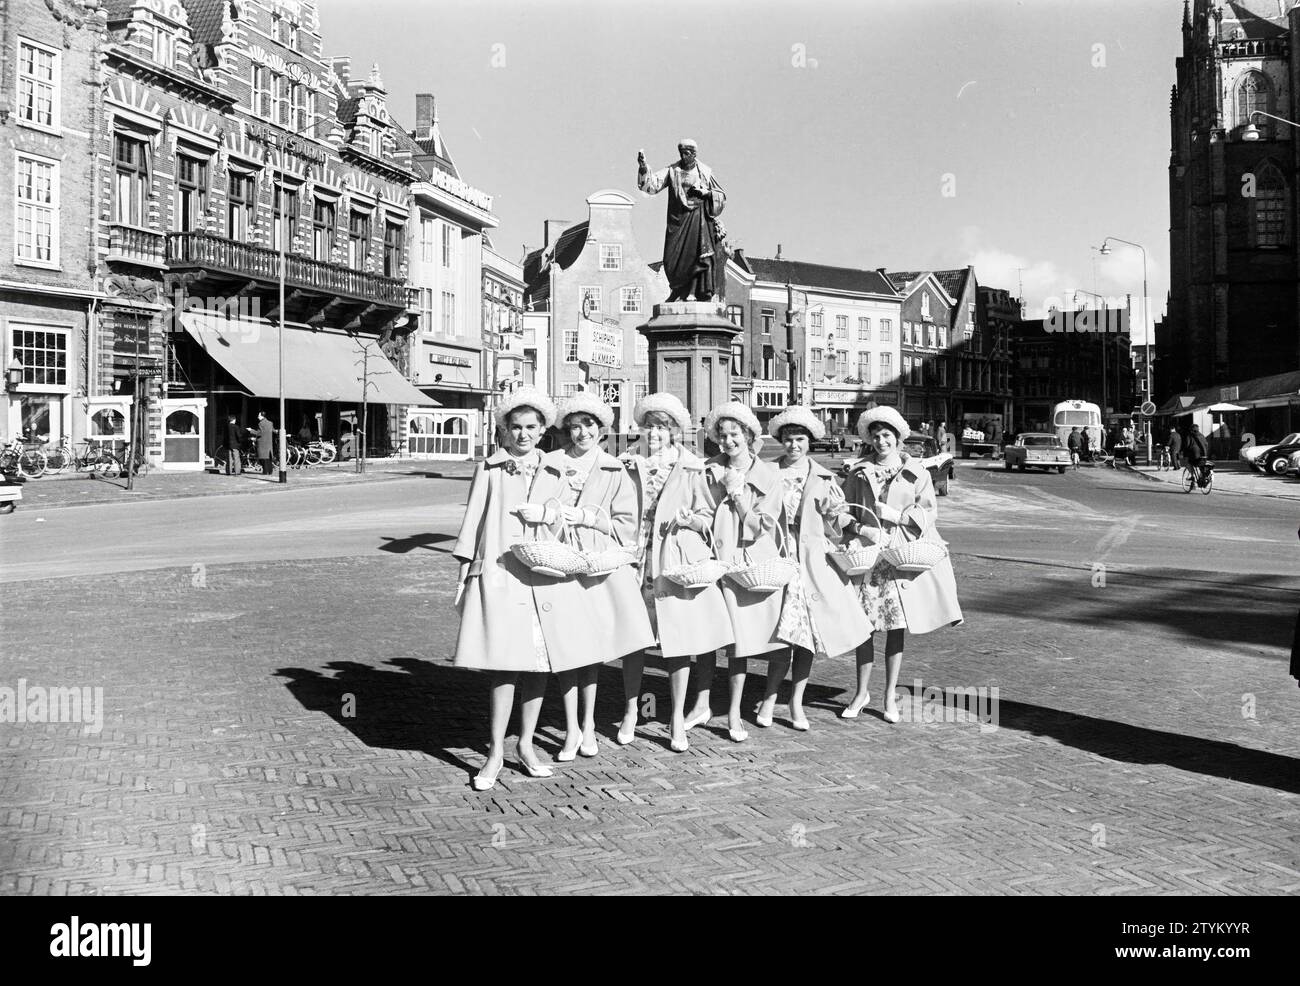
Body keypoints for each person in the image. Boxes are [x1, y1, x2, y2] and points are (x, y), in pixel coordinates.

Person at [520, 393, 655, 763]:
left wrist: (591, 519)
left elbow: (627, 527)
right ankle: (572, 728)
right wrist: (553, 513)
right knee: (568, 647)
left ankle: (593, 723)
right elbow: (535, 508)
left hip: (599, 567)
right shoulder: (550, 463)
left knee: (602, 645)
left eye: (589, 426)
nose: (582, 433)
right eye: (576, 425)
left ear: (601, 429)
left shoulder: (615, 468)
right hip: (560, 564)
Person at [452, 386, 559, 791]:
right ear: (504, 429)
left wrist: (549, 514)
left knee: (539, 666)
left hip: (544, 581)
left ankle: (526, 745)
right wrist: (464, 577)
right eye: (515, 427)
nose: (523, 434)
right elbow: (471, 524)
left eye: (531, 427)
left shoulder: (554, 469)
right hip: (500, 579)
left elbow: (565, 524)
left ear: (543, 429)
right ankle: (495, 751)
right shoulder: (490, 468)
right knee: (503, 666)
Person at [618, 393, 733, 753]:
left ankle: (678, 719)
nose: (654, 434)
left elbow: (707, 517)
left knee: (677, 642)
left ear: (674, 432)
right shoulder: (625, 463)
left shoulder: (691, 466)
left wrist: (690, 521)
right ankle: (631, 711)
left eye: (662, 428)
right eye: (649, 426)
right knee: (634, 639)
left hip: (672, 561)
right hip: (635, 559)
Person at [842, 407, 963, 722]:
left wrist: (897, 517)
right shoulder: (858, 471)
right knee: (864, 629)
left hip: (900, 559)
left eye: (887, 436)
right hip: (868, 558)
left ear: (898, 438)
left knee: (895, 629)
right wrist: (860, 529)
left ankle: (889, 696)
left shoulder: (917, 473)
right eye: (876, 436)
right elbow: (842, 511)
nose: (881, 441)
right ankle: (860, 692)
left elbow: (928, 514)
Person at [758, 406, 872, 731]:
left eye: (800, 440)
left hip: (810, 562)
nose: (794, 445)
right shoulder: (767, 472)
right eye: (789, 439)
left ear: (809, 442)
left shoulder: (822, 476)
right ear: (781, 440)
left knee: (805, 637)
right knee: (780, 634)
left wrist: (856, 526)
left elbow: (837, 517)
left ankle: (795, 703)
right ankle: (768, 699)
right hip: (776, 557)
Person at [687, 401, 786, 743]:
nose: (728, 441)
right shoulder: (707, 469)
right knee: (708, 635)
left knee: (739, 643)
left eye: (735, 434)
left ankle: (733, 712)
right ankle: (701, 705)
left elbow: (763, 527)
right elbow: (701, 512)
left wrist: (737, 493)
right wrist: (692, 521)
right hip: (714, 559)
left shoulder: (769, 475)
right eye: (723, 435)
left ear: (748, 435)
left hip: (749, 564)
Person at [636, 139, 727, 302]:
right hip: (677, 221)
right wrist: (643, 167)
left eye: (686, 154)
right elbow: (652, 186)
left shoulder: (704, 172)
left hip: (697, 219)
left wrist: (705, 193)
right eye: (681, 153)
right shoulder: (672, 170)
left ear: (694, 154)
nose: (683, 157)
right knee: (671, 258)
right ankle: (677, 289)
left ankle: (691, 292)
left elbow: (720, 195)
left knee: (696, 254)